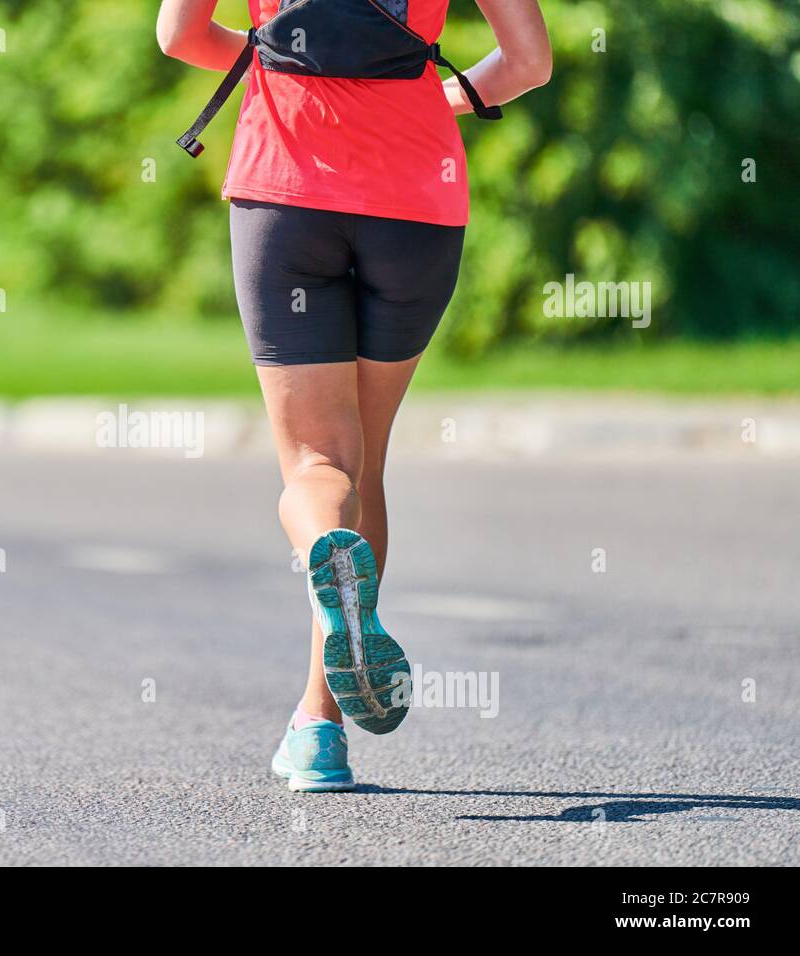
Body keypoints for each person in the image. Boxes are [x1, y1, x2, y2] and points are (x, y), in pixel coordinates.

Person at [157, 0, 551, 791]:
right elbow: (529, 61)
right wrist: (435, 93)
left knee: (316, 464)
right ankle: (318, 723)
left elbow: (180, 37)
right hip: (416, 205)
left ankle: (317, 730)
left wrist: (274, 53)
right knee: (365, 462)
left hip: (286, 196)